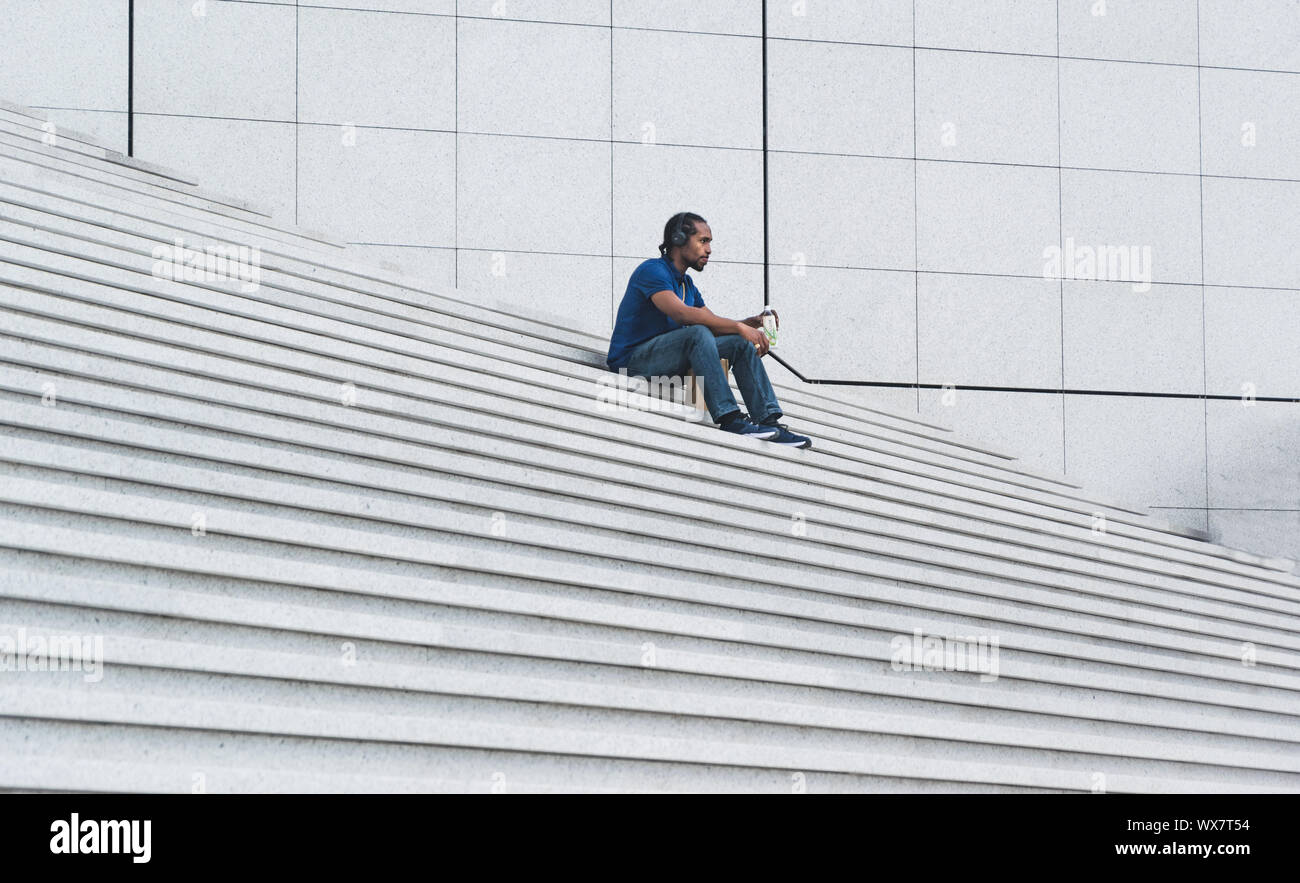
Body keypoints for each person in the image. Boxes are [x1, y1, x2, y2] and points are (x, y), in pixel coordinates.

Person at [606, 212, 812, 448]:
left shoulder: (687, 284)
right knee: (698, 332)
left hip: (667, 359)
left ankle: (769, 420)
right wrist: (737, 327)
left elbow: (710, 325)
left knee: (738, 343)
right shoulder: (652, 271)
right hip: (632, 363)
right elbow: (681, 314)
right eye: (703, 241)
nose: (709, 249)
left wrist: (748, 324)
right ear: (679, 238)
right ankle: (731, 418)